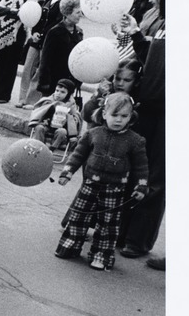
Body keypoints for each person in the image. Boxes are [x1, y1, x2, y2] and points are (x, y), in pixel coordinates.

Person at [54, 92, 149, 271]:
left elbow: (141, 167)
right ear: (104, 113)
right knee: (78, 217)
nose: (119, 120)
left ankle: (101, 256)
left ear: (131, 116)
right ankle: (70, 246)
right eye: (114, 115)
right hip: (89, 185)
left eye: (124, 116)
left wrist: (141, 185)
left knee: (108, 224)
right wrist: (67, 172)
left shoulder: (135, 141)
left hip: (114, 189)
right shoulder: (92, 134)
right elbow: (78, 156)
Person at [118, 0, 165, 260]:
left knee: (155, 176)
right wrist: (135, 33)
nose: (155, 1)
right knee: (136, 168)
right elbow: (150, 57)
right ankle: (122, 230)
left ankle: (139, 239)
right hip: (147, 103)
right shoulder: (161, 23)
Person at [17, 0, 72, 108]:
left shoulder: (66, 0)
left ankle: (32, 100)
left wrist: (42, 36)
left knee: (40, 71)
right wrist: (34, 32)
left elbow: (58, 22)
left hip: (49, 41)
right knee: (27, 68)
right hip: (37, 40)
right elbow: (38, 17)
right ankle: (22, 98)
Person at [35, 0, 83, 97]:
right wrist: (44, 83)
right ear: (68, 12)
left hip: (69, 81)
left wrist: (79, 79)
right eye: (78, 12)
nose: (81, 15)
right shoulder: (55, 31)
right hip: (54, 81)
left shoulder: (79, 32)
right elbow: (45, 59)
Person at [27, 78, 80, 150]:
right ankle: (39, 147)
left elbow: (75, 119)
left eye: (62, 92)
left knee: (62, 132)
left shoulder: (71, 105)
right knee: (39, 128)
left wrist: (67, 117)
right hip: (46, 125)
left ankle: (52, 148)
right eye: (57, 90)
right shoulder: (48, 100)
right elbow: (39, 111)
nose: (58, 93)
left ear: (69, 94)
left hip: (61, 127)